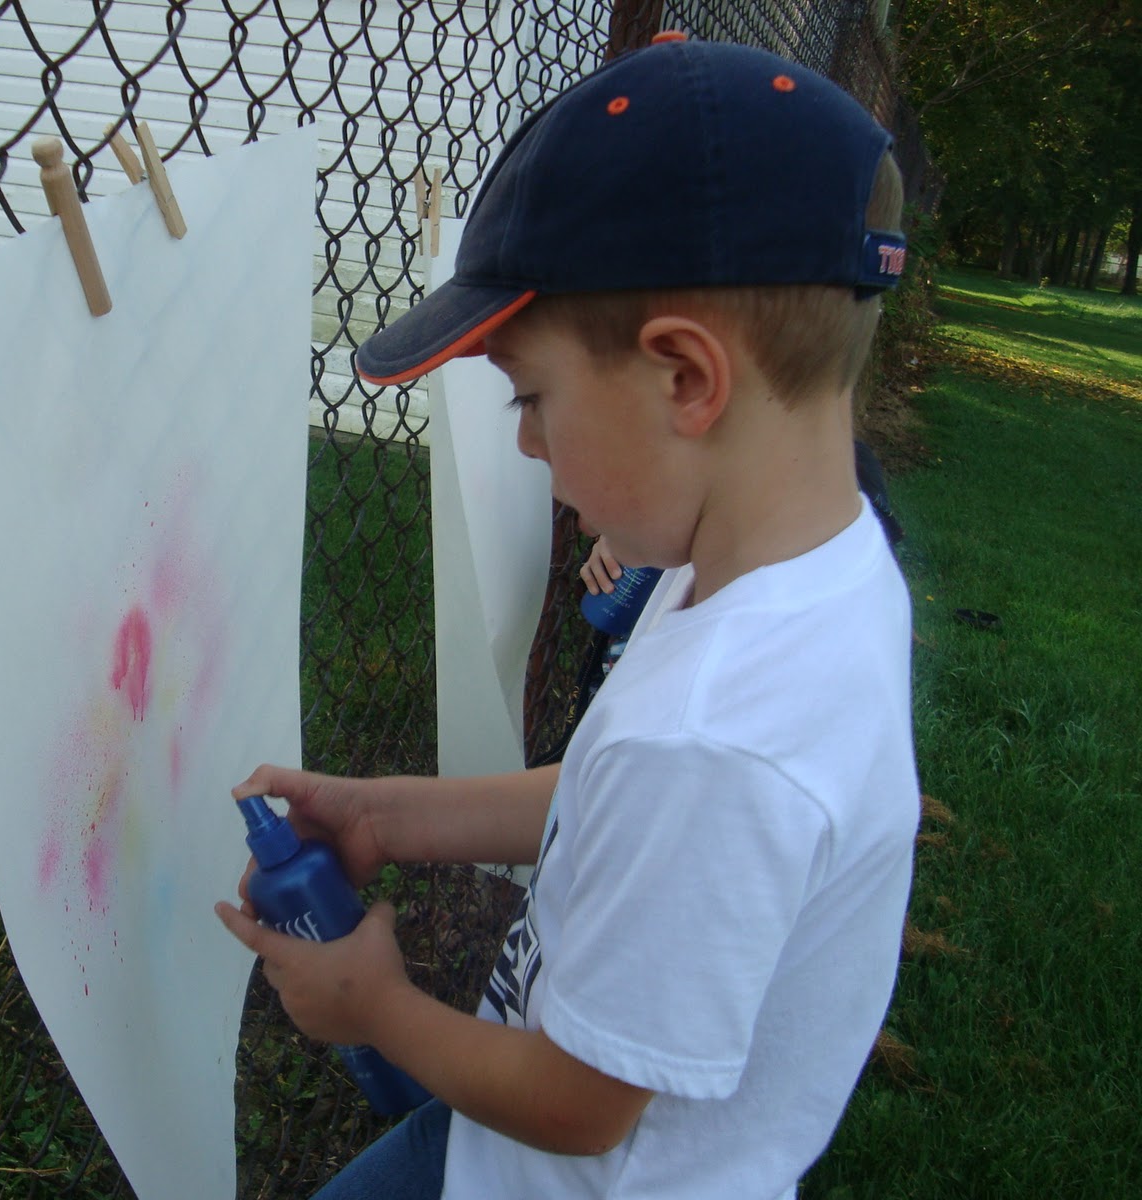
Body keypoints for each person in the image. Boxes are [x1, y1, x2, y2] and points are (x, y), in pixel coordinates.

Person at [215, 32, 920, 1200]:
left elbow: (581, 1108)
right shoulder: (805, 572)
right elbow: (610, 796)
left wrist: (374, 1008)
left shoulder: (716, 740)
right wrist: (387, 816)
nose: (528, 443)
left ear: (686, 377)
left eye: (531, 397)